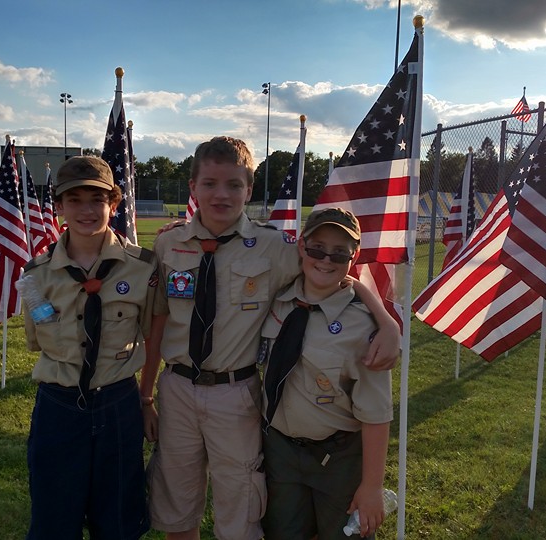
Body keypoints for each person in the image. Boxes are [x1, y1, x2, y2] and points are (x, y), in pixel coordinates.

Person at [140, 136, 400, 540]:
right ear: (192, 187)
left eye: (234, 185)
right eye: (209, 183)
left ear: (249, 188)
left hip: (235, 390)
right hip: (177, 387)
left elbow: (333, 271)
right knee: (178, 499)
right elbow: (158, 317)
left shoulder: (274, 248)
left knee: (240, 501)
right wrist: (146, 395)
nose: (221, 194)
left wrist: (386, 322)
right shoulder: (168, 243)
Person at [20, 155, 156, 540]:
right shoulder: (37, 276)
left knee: (117, 519)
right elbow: (37, 341)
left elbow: (152, 333)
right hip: (58, 407)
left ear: (113, 204)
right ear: (59, 208)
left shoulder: (142, 267)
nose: (86, 210)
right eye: (74, 200)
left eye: (96, 199)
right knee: (53, 518)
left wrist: (146, 400)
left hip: (117, 405)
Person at [260, 208, 392, 539]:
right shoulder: (277, 299)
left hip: (338, 458)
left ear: (354, 256)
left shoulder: (363, 327)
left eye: (339, 253)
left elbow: (376, 414)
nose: (326, 260)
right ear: (302, 247)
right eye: (317, 248)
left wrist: (372, 486)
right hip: (280, 451)